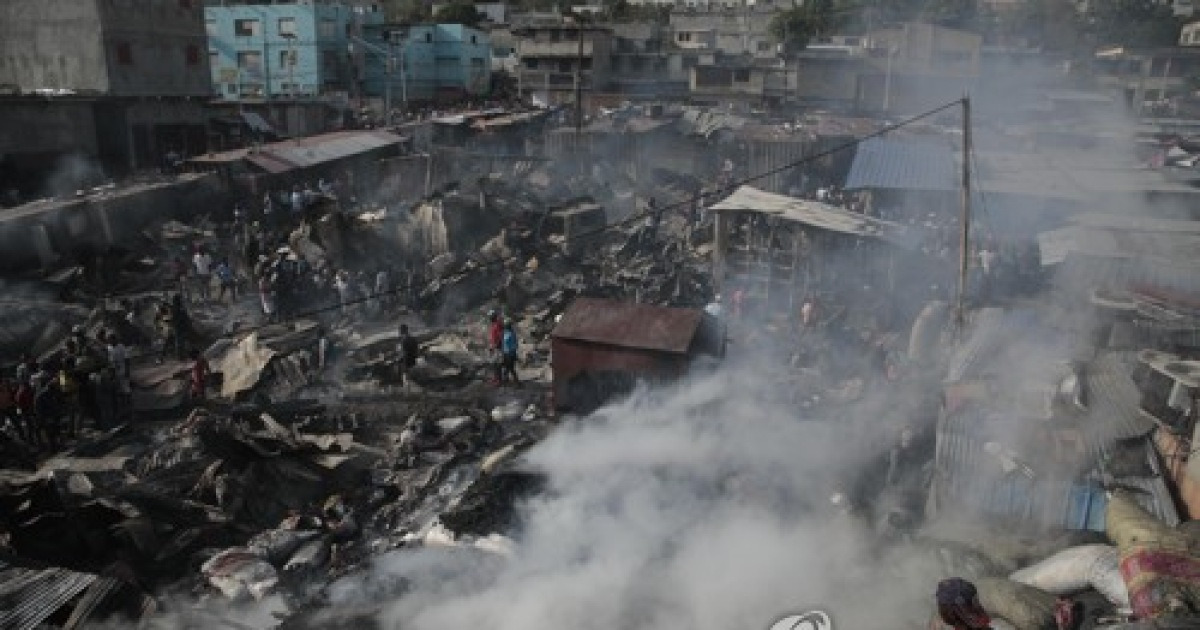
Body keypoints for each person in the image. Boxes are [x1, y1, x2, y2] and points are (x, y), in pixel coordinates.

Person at [486, 310, 504, 385]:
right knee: (494, 364)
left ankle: (498, 380)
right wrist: (491, 346)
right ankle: (495, 378)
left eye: (490, 317)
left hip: (498, 347)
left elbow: (501, 336)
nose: (489, 318)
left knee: (497, 364)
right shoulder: (494, 324)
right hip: (495, 347)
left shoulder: (498, 325)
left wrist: (496, 345)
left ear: (493, 317)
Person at [500, 320, 520, 386]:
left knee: (510, 368)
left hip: (510, 354)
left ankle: (516, 382)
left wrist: (512, 351)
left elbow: (515, 345)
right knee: (508, 368)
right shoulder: (506, 333)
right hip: (507, 353)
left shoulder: (511, 334)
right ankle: (507, 381)